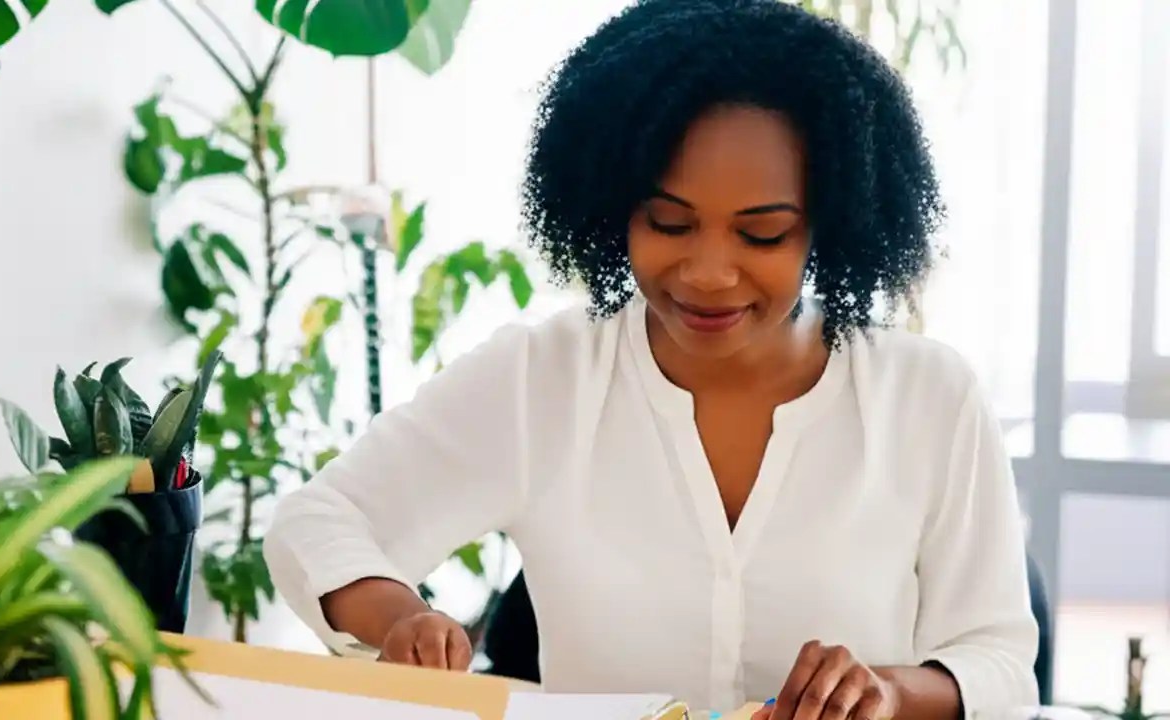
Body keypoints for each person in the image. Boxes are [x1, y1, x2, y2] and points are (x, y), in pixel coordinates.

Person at [262, 1, 1040, 718]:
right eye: (668, 223)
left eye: (761, 235)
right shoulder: (544, 381)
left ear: (830, 224)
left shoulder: (930, 399)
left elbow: (1002, 662)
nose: (706, 272)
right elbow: (319, 521)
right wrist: (403, 618)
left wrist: (888, 692)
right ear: (613, 208)